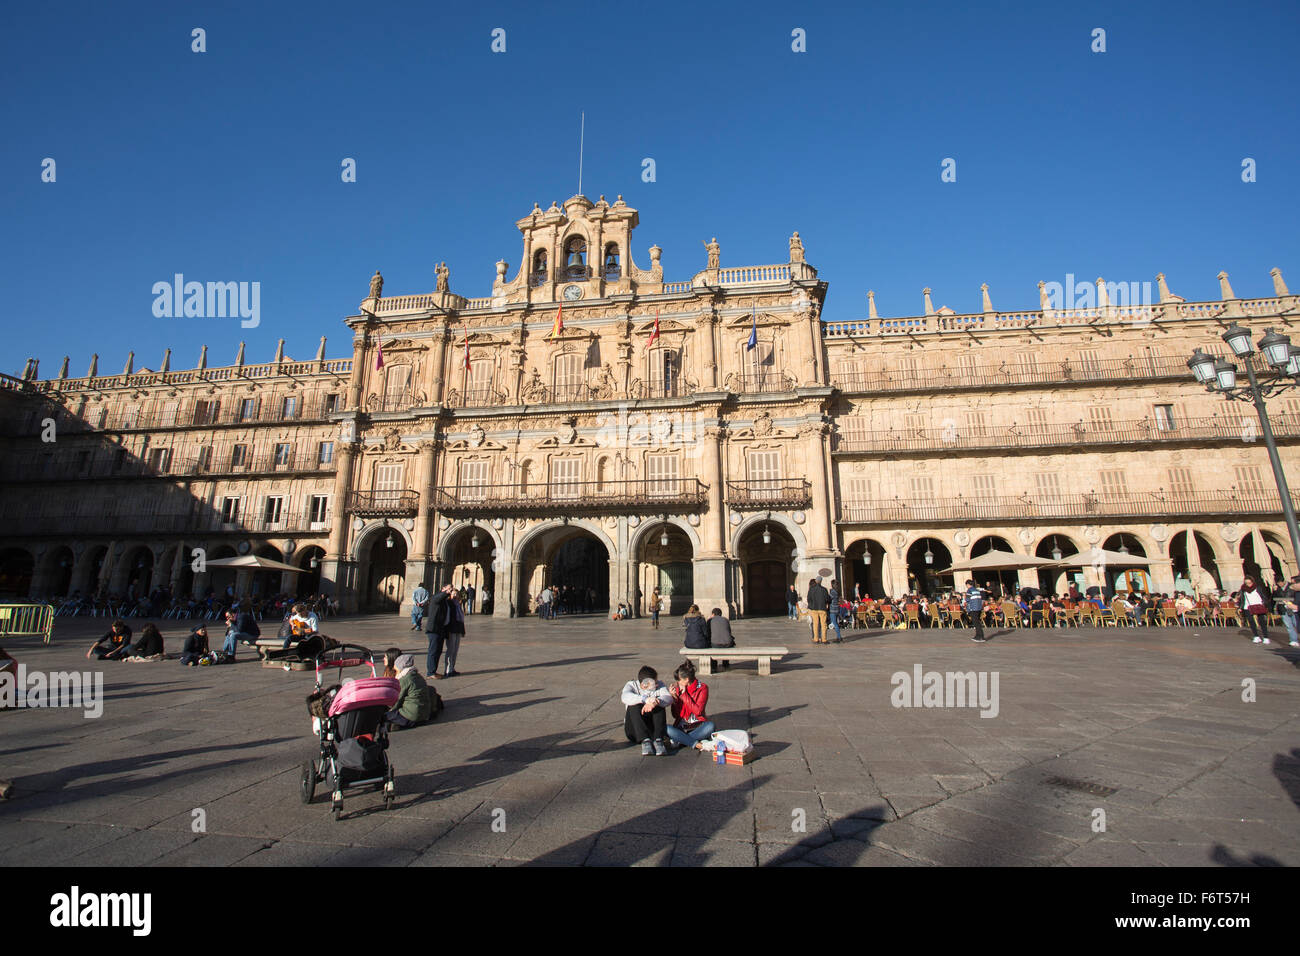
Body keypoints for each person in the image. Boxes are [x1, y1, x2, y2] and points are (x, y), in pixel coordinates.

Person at [620, 665, 674, 756]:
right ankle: (645, 741)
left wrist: (655, 702)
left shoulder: (660, 685)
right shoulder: (631, 685)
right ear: (643, 685)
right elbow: (625, 697)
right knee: (633, 706)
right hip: (634, 731)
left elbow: (668, 698)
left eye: (657, 681)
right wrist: (645, 700)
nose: (657, 685)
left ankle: (658, 740)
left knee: (659, 705)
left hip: (652, 728)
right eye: (654, 683)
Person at [666, 660, 715, 750]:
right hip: (682, 727)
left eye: (679, 680)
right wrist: (674, 698)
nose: (677, 683)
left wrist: (684, 695)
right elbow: (675, 715)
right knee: (666, 728)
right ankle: (693, 742)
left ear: (686, 680)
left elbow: (698, 711)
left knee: (710, 726)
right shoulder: (677, 689)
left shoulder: (702, 688)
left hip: (698, 726)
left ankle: (681, 740)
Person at [385, 654, 433, 729]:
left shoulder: (405, 679)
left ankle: (394, 725)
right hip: (425, 715)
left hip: (411, 716)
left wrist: (388, 711)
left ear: (401, 668)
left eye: (396, 670)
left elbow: (397, 700)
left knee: (385, 716)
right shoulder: (418, 676)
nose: (395, 672)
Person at [1238, 575, 1272, 644]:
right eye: (1246, 583)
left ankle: (1266, 637)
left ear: (1252, 582)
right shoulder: (1243, 589)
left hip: (1258, 605)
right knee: (1251, 621)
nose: (1248, 585)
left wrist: (1265, 603)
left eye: (1249, 583)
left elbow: (1262, 595)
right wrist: (1240, 607)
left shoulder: (1257, 587)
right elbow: (1242, 598)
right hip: (1247, 606)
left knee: (1261, 621)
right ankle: (1256, 636)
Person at [1277, 574, 1300, 647]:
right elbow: (1275, 598)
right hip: (1284, 609)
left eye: (1293, 583)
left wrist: (1295, 606)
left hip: (1293, 609)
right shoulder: (1278, 589)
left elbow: (1296, 602)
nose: (1292, 585)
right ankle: (1294, 640)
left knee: (1295, 624)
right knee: (1289, 626)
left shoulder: (1291, 588)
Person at [806, 577, 829, 644]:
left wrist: (811, 604)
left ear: (816, 581)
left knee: (815, 624)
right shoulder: (824, 589)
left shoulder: (811, 589)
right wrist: (826, 603)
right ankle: (824, 639)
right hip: (822, 608)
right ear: (821, 582)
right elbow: (827, 598)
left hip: (814, 609)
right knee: (823, 624)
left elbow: (808, 598)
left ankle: (816, 639)